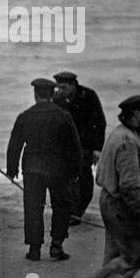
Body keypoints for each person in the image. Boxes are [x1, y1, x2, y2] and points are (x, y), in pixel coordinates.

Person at [74, 95, 140, 278]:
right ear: (136, 115)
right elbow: (129, 186)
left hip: (110, 200)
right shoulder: (128, 141)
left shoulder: (121, 133)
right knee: (132, 257)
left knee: (115, 254)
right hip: (121, 205)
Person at [6, 78, 82, 261]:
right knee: (61, 207)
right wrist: (76, 171)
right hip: (59, 170)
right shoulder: (63, 115)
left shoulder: (25, 116)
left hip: (32, 169)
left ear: (35, 94)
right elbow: (75, 146)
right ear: (52, 94)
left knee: (33, 207)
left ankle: (34, 249)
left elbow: (14, 144)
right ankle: (56, 246)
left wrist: (12, 169)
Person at [53, 71, 107, 225]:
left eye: (63, 87)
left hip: (85, 145)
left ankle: (77, 211)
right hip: (65, 146)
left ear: (73, 85)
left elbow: (99, 123)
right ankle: (71, 210)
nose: (60, 91)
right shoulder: (57, 99)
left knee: (83, 178)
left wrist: (97, 148)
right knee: (65, 178)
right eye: (58, 87)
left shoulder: (88, 96)